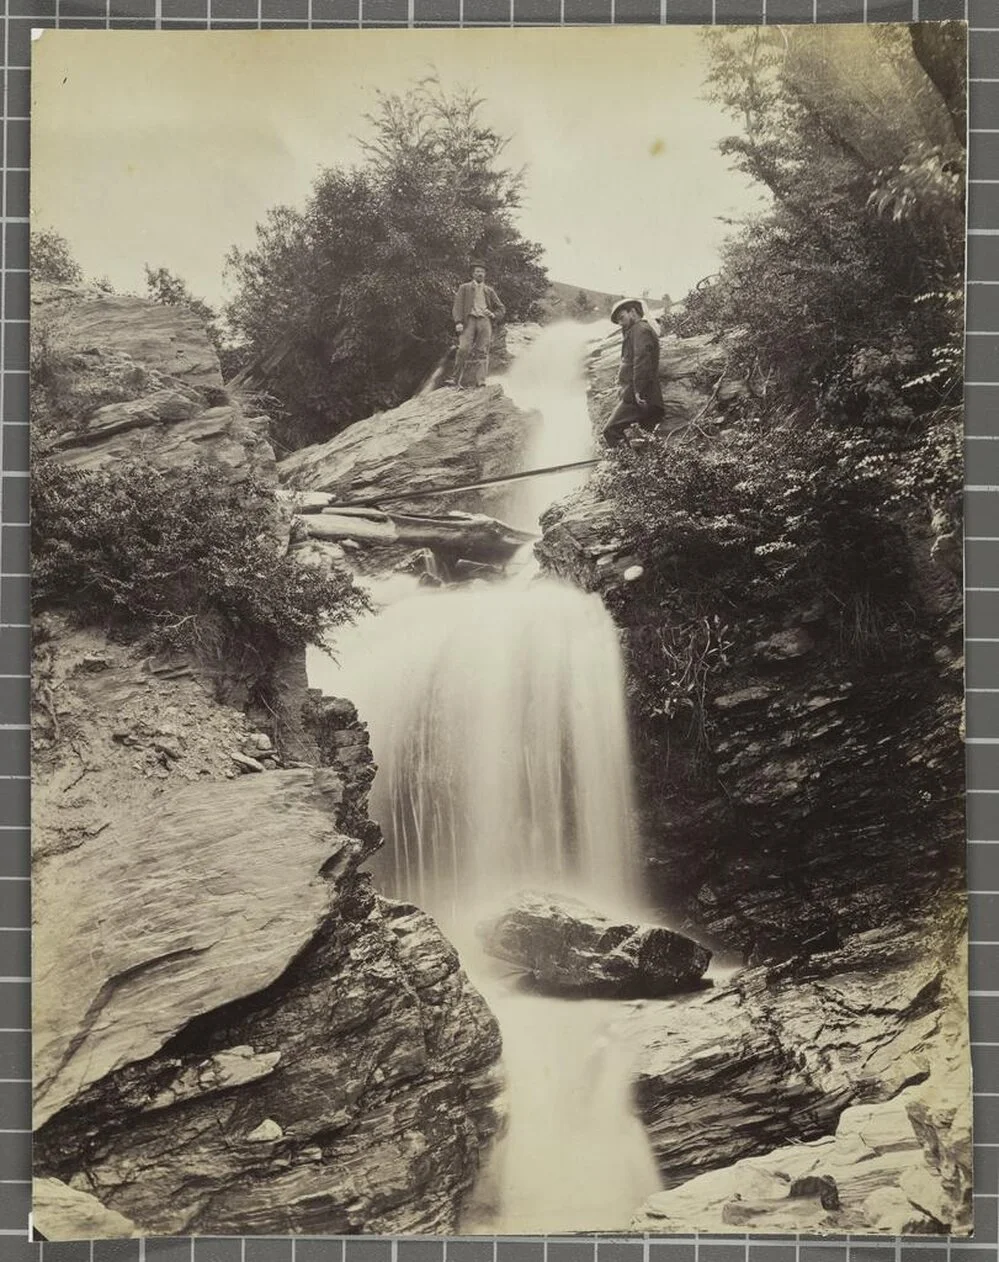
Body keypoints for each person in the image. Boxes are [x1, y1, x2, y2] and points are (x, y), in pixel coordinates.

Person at [602, 298, 665, 447]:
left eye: (622, 318)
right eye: (618, 321)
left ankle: (627, 463)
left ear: (633, 312)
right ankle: (640, 465)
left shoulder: (640, 329)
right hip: (645, 396)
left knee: (610, 431)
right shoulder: (637, 331)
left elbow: (641, 361)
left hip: (640, 397)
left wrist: (638, 390)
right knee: (645, 439)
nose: (620, 323)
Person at [447, 261, 506, 388]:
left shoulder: (489, 290)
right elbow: (457, 306)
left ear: (485, 274)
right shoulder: (464, 288)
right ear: (473, 274)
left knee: (482, 351)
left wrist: (493, 315)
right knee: (463, 349)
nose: (480, 274)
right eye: (477, 272)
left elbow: (501, 308)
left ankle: (481, 382)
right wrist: (458, 322)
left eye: (482, 272)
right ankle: (455, 379)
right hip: (469, 320)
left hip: (484, 320)